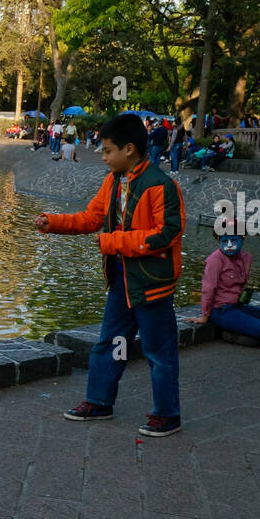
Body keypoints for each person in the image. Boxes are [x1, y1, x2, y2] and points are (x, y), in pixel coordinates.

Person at [34, 113, 187, 437]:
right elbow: (92, 217)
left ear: (129, 149)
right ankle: (99, 401)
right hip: (120, 280)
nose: (103, 157)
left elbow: (167, 234)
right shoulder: (113, 181)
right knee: (109, 343)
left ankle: (167, 415)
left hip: (151, 284)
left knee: (158, 352)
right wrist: (55, 222)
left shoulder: (161, 185)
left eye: (107, 150)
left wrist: (113, 241)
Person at [185, 231, 260, 344]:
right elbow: (208, 289)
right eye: (224, 241)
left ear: (243, 240)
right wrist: (205, 316)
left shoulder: (245, 257)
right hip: (220, 310)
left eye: (234, 240)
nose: (229, 245)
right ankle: (228, 334)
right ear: (219, 242)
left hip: (236, 306)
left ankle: (243, 331)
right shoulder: (215, 259)